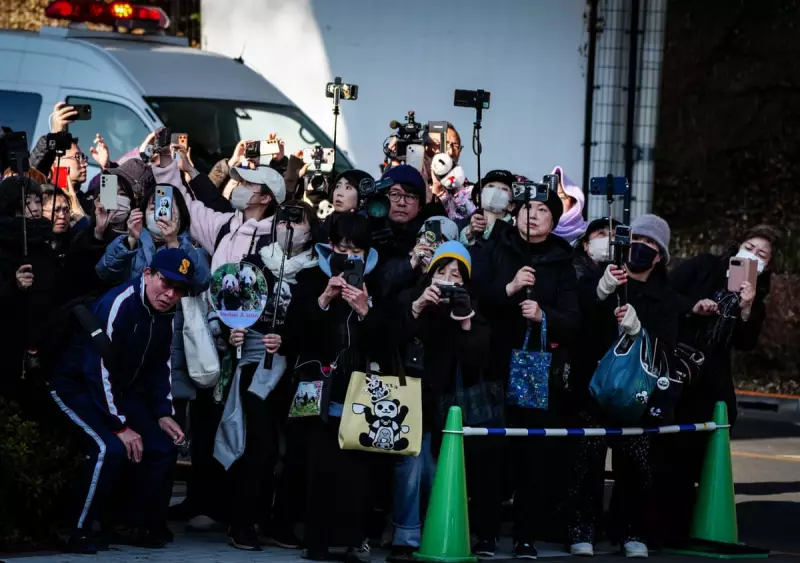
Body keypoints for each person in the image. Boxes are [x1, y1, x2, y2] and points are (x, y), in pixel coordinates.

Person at [48, 249, 194, 553]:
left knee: (161, 446)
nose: (169, 294)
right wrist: (119, 426)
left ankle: (128, 524)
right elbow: (96, 368)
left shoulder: (165, 313)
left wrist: (163, 412)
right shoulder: (119, 304)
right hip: (75, 387)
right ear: (147, 274)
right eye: (165, 283)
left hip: (117, 391)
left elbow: (161, 365)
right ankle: (74, 529)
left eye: (178, 289)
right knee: (107, 448)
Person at [470, 187, 578, 559]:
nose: (532, 215)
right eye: (527, 208)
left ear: (554, 220)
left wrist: (543, 316)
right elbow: (476, 295)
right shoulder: (494, 246)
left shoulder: (563, 262)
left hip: (535, 370)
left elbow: (573, 319)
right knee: (488, 455)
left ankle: (525, 535)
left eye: (542, 211)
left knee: (532, 456)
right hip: (493, 365)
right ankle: (484, 533)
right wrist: (509, 288)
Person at [566, 214, 683, 558]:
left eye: (650, 245)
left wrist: (638, 332)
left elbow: (667, 348)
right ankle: (581, 528)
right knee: (586, 459)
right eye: (636, 241)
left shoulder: (666, 298)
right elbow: (578, 319)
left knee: (635, 465)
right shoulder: (601, 277)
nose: (641, 249)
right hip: (594, 386)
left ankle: (632, 531)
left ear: (660, 256)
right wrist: (601, 289)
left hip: (639, 394)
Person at [280, 212, 392, 563]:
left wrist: (365, 310)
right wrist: (323, 301)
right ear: (331, 247)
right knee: (316, 466)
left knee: (358, 471)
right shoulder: (313, 277)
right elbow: (292, 338)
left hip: (360, 390)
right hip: (317, 386)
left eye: (357, 250)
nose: (349, 256)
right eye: (342, 248)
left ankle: (355, 540)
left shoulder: (379, 281)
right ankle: (316, 541)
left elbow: (389, 343)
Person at [655, 224, 778, 543]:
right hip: (674, 368)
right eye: (750, 247)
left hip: (711, 380)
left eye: (762, 254)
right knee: (665, 452)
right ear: (738, 246)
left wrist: (747, 308)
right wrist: (694, 307)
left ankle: (683, 527)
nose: (753, 256)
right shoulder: (704, 266)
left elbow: (746, 343)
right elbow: (666, 294)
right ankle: (652, 526)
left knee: (699, 453)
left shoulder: (755, 297)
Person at [215, 202, 319, 551]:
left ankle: (281, 522)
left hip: (298, 372)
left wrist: (287, 339)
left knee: (295, 449)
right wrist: (234, 334)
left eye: (299, 221)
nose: (291, 227)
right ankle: (242, 521)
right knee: (258, 445)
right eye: (285, 219)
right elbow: (232, 311)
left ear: (311, 230)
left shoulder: (315, 274)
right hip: (255, 366)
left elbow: (316, 326)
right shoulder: (254, 265)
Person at [389, 241, 490, 562]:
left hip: (447, 405)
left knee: (436, 471)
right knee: (410, 465)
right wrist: (419, 306)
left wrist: (465, 321)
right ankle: (405, 535)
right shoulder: (412, 296)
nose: (448, 279)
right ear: (430, 274)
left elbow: (476, 362)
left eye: (456, 275)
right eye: (442, 271)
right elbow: (388, 336)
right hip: (408, 398)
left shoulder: (471, 309)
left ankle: (439, 533)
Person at [460, 170, 516, 247]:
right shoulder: (458, 226)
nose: (496, 192)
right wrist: (469, 234)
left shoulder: (517, 233)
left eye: (504, 189)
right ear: (478, 197)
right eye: (491, 186)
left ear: (511, 206)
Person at [551, 166, 588, 245]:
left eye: (561, 197)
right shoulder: (534, 230)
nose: (555, 202)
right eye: (551, 198)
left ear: (574, 202)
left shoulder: (588, 233)